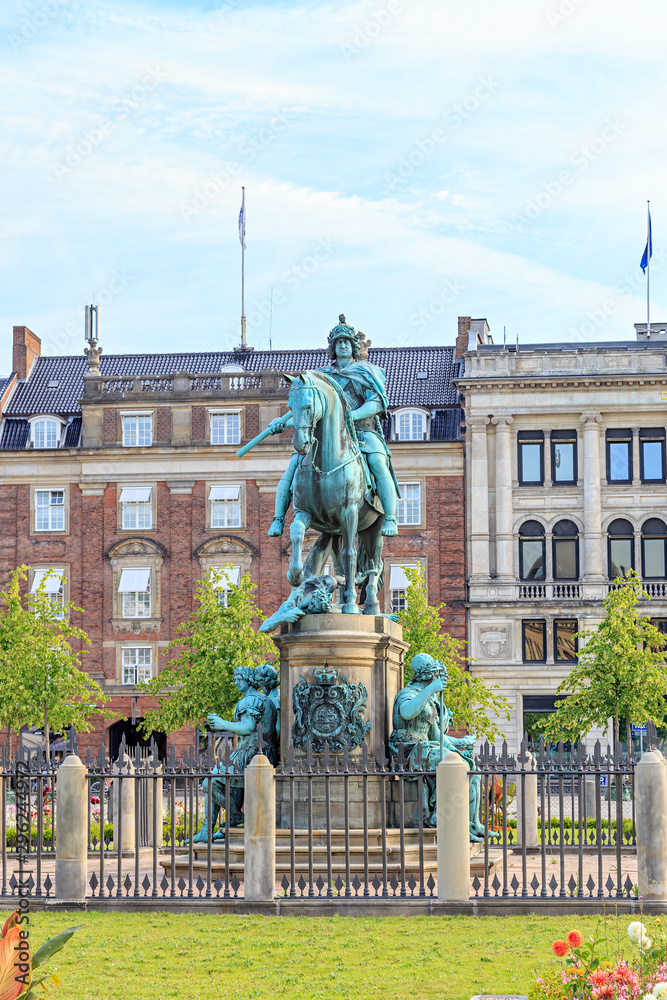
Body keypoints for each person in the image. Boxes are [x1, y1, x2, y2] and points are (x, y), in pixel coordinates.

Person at [266, 315, 401, 539]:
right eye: (339, 343)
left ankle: (390, 517)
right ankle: (279, 518)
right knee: (293, 466)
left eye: (347, 342)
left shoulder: (366, 372)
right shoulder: (321, 377)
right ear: (333, 348)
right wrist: (282, 421)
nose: (343, 346)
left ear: (354, 346)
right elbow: (306, 405)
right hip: (326, 437)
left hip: (362, 432)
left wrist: (351, 416)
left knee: (377, 462)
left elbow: (375, 403)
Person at [388, 653, 495, 841]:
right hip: (407, 750)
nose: (439, 678)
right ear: (427, 675)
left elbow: (437, 736)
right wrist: (430, 690)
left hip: (426, 748)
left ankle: (473, 824)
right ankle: (442, 816)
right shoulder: (408, 694)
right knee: (448, 762)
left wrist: (461, 743)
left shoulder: (429, 699)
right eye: (436, 674)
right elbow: (406, 712)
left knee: (470, 767)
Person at [191, 666, 278, 842]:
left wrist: (222, 723)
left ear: (248, 680)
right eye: (235, 678)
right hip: (264, 752)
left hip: (250, 752)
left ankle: (234, 817)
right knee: (222, 783)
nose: (235, 682)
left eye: (239, 678)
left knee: (210, 783)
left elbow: (248, 727)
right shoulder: (265, 699)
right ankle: (211, 828)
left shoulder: (250, 701)